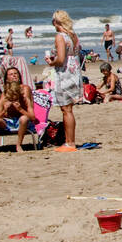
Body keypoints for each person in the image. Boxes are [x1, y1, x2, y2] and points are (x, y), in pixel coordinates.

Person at [46, 9, 83, 151]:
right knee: (69, 109)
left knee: (66, 109)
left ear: (56, 22)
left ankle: (70, 142)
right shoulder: (73, 35)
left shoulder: (60, 36)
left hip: (65, 73)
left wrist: (51, 62)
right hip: (74, 71)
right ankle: (70, 141)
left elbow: (61, 59)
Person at [0, 66, 38, 151]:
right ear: (7, 79)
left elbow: (32, 117)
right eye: (11, 74)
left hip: (24, 120)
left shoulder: (25, 89)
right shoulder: (5, 93)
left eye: (16, 73)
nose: (14, 76)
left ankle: (18, 145)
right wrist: (5, 109)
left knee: (23, 118)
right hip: (10, 121)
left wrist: (20, 109)